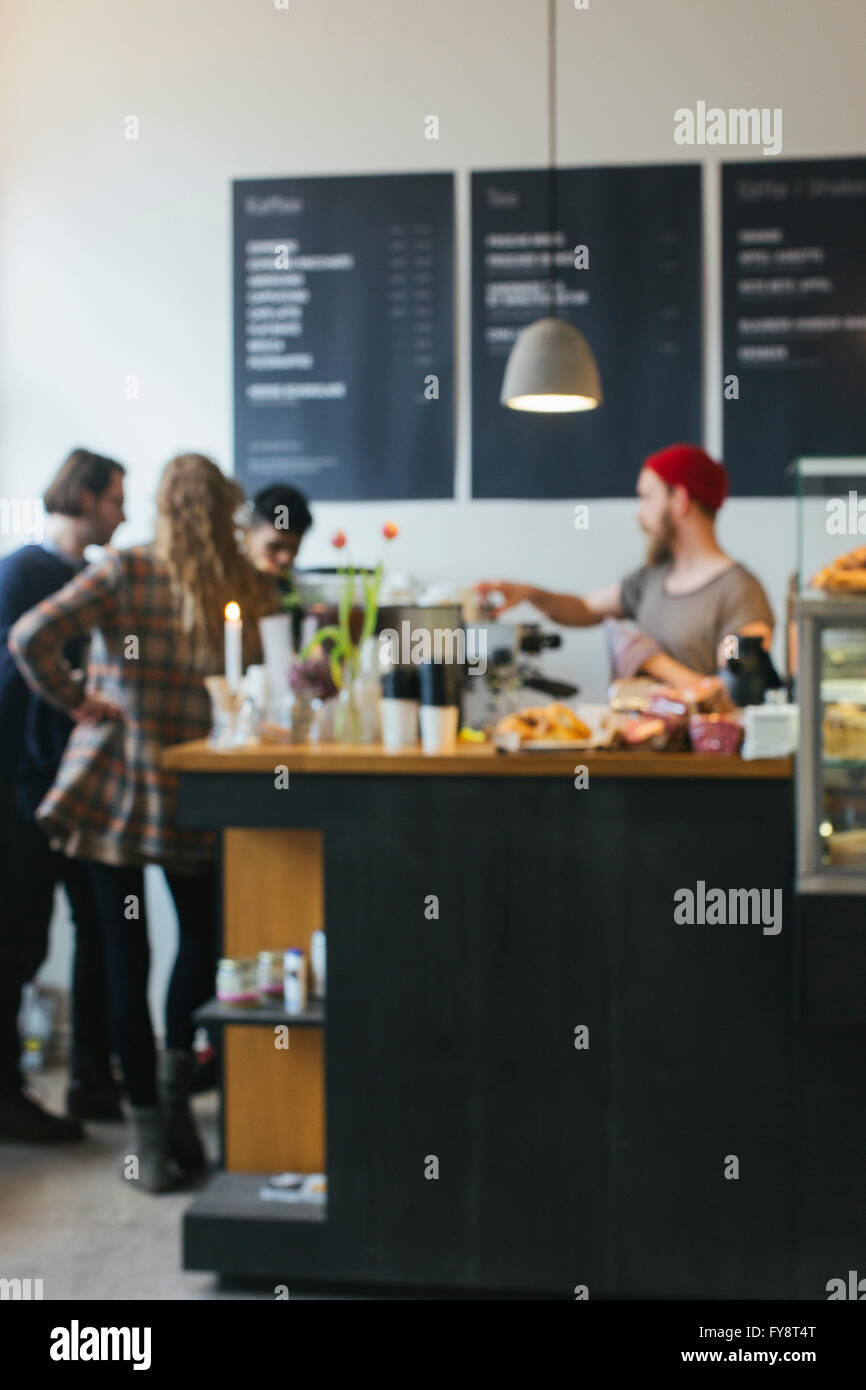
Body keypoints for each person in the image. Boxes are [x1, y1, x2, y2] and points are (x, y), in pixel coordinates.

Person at [10, 454, 278, 1190]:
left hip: (115, 787)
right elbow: (268, 681)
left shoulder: (124, 571)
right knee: (201, 942)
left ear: (161, 505)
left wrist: (77, 701)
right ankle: (175, 1098)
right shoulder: (248, 588)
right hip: (196, 787)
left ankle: (150, 1141)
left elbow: (29, 635)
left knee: (123, 956)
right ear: (227, 509)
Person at [0, 448, 126, 1143]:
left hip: (79, 787)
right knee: (19, 939)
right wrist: (79, 697)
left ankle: (91, 1078)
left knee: (98, 928)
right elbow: (15, 666)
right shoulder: (23, 572)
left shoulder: (95, 576)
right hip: (23, 784)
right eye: (114, 499)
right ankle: (8, 1096)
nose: (124, 512)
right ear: (83, 496)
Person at [476, 444, 775, 687]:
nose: (638, 514)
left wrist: (649, 660)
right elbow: (582, 608)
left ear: (679, 499)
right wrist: (528, 593)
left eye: (646, 498)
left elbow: (730, 692)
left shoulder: (740, 592)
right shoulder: (650, 580)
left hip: (694, 761)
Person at [245, 484, 312, 647]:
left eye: (294, 548)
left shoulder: (294, 589)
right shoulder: (224, 585)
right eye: (275, 546)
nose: (285, 558)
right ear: (249, 533)